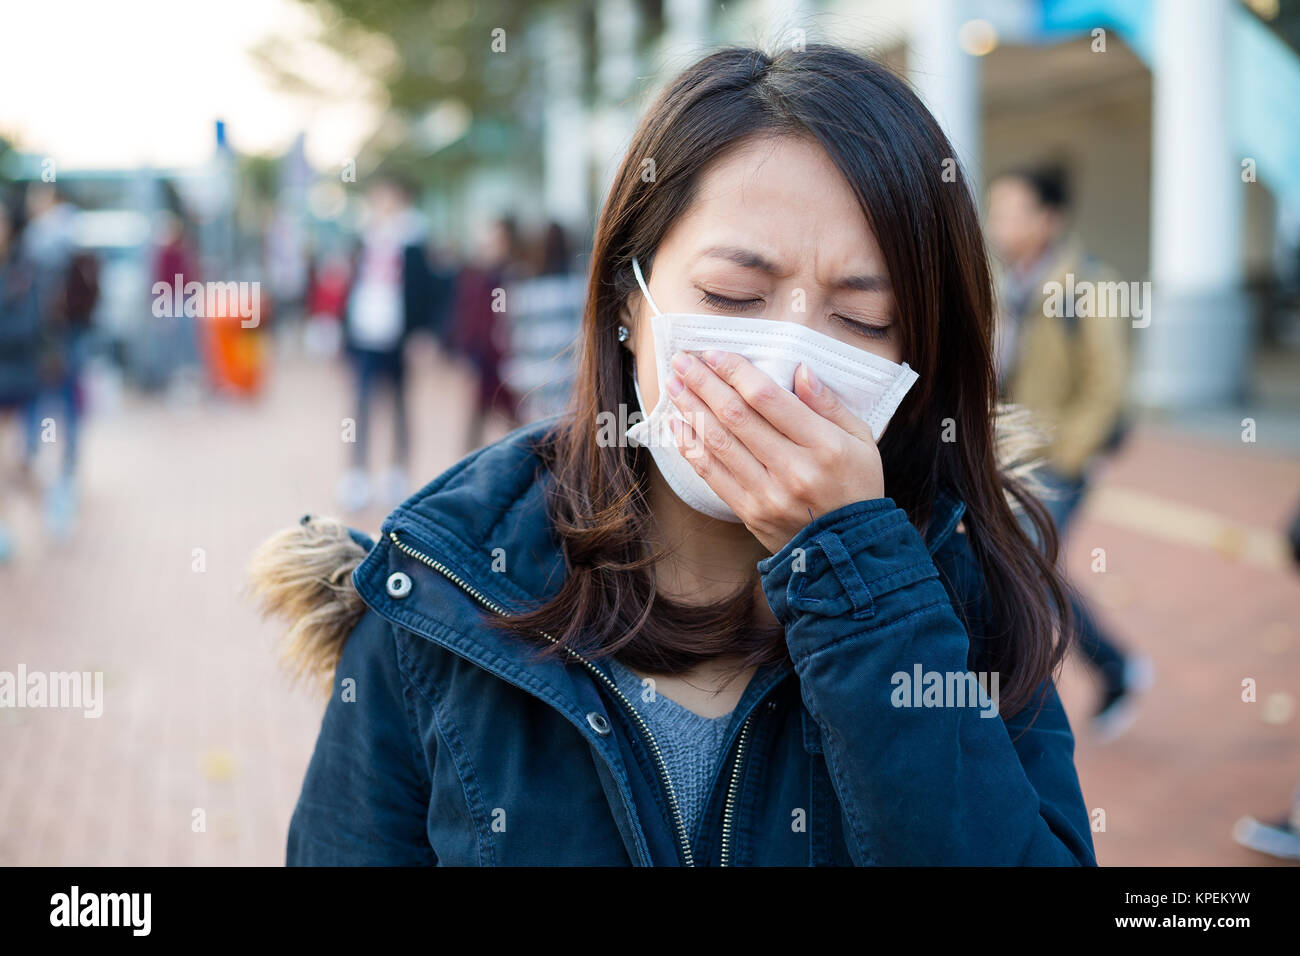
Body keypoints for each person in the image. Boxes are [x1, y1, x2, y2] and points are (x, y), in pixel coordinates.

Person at [251, 45, 1097, 866]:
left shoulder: (961, 590)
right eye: (733, 297)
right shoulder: (439, 588)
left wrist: (861, 584)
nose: (786, 368)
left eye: (862, 320)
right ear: (630, 301)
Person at [985, 166, 1154, 742]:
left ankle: (1019, 707)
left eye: (1012, 212)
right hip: (1011, 456)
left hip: (1058, 461)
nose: (998, 224)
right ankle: (1115, 669)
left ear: (1048, 220)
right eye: (996, 210)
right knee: (1036, 569)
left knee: (1027, 567)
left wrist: (1071, 456)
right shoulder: (1005, 284)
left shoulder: (1087, 284)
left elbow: (1108, 384)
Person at [336, 175, 433, 512]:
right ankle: (357, 475)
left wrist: (421, 333)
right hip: (366, 333)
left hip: (399, 335)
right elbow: (350, 286)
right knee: (361, 404)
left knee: (399, 405)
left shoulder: (414, 241)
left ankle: (397, 472)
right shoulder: (363, 239)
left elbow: (425, 291)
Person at [446, 215, 522, 451]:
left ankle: (520, 465)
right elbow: (465, 316)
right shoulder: (475, 276)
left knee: (514, 418)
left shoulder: (515, 275)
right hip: (483, 356)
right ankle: (469, 468)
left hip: (509, 358)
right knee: (476, 417)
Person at [0, 200, 44, 561]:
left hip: (13, 381)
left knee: (12, 460)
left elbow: (28, 326)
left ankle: (38, 502)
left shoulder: (22, 271)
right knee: (10, 460)